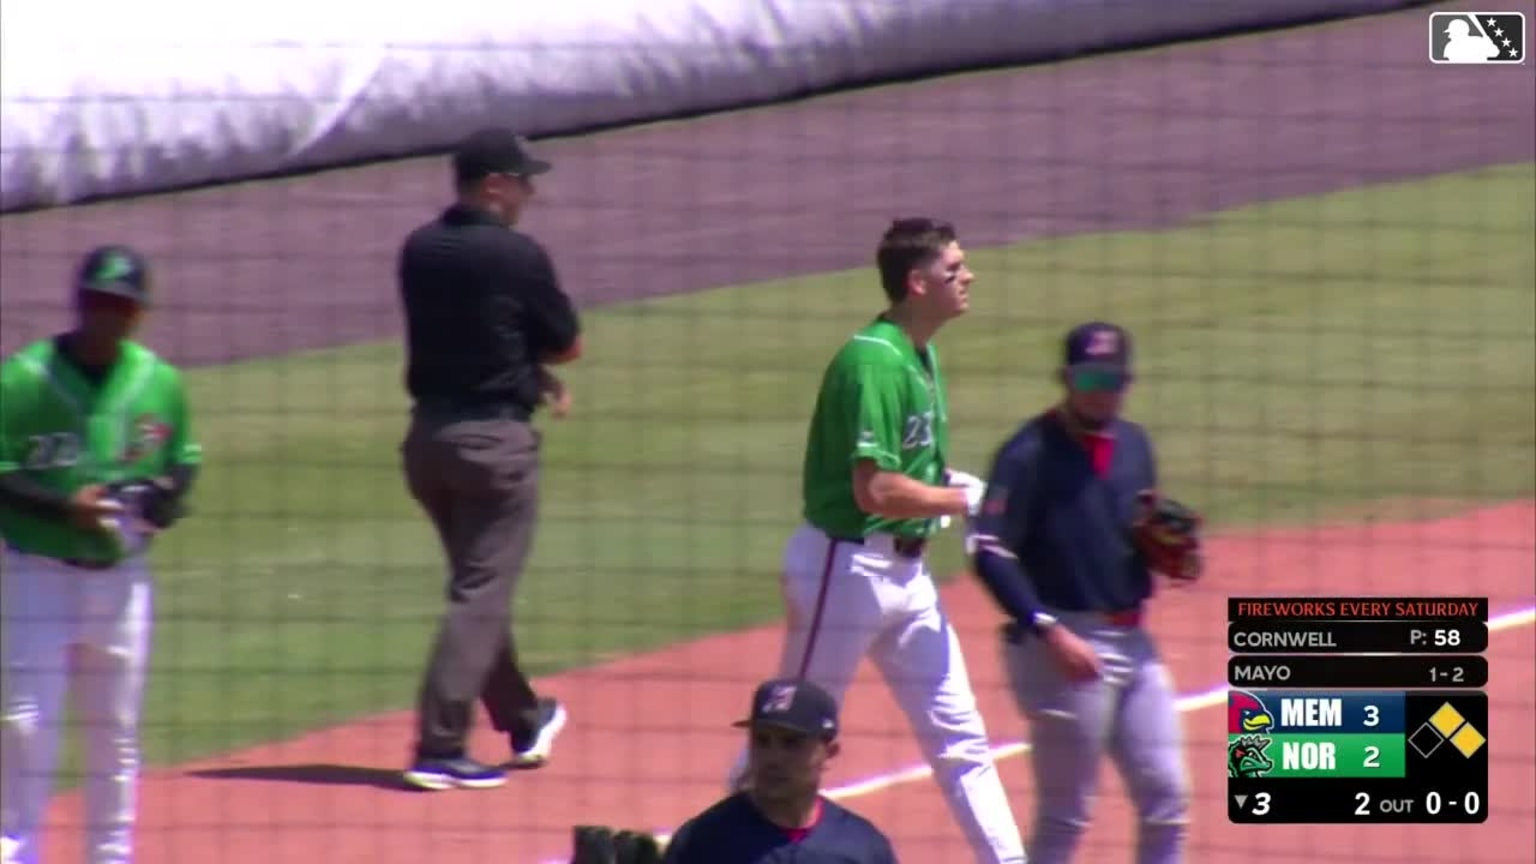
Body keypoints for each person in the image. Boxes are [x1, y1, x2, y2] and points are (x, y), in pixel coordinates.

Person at [727, 218, 1027, 864]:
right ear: (917, 283)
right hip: (846, 571)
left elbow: (911, 474)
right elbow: (875, 490)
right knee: (786, 736)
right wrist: (966, 502)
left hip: (906, 577)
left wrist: (957, 486)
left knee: (961, 739)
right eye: (954, 269)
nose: (969, 277)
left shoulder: (920, 355)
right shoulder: (872, 361)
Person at [1, 245, 202, 864]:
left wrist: (166, 499)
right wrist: (64, 509)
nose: (105, 314)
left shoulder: (159, 382)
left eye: (119, 304)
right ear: (77, 302)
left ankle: (110, 858)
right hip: (36, 576)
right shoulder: (24, 379)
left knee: (114, 734)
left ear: (139, 313)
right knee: (25, 726)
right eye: (95, 301)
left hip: (121, 582)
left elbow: (183, 462)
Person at [396, 127, 582, 790]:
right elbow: (567, 343)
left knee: (478, 588)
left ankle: (525, 718)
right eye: (523, 181)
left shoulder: (419, 249)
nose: (530, 194)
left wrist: (528, 371)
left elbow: (467, 337)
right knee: (479, 593)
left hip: (427, 444)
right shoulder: (517, 255)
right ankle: (440, 745)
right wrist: (539, 368)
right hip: (493, 449)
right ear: (495, 185)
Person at [968, 321, 1192, 864]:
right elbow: (989, 550)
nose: (1099, 390)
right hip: (1063, 647)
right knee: (1066, 813)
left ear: (1127, 381)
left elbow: (1135, 532)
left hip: (1134, 642)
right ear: (1066, 378)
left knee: (1168, 797)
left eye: (1111, 379)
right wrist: (1048, 630)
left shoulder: (1134, 444)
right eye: (1088, 377)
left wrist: (1176, 555)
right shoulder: (1028, 454)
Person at [667, 677, 897, 863]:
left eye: (792, 743)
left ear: (829, 753)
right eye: (762, 740)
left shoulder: (862, 847)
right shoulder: (704, 842)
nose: (773, 758)